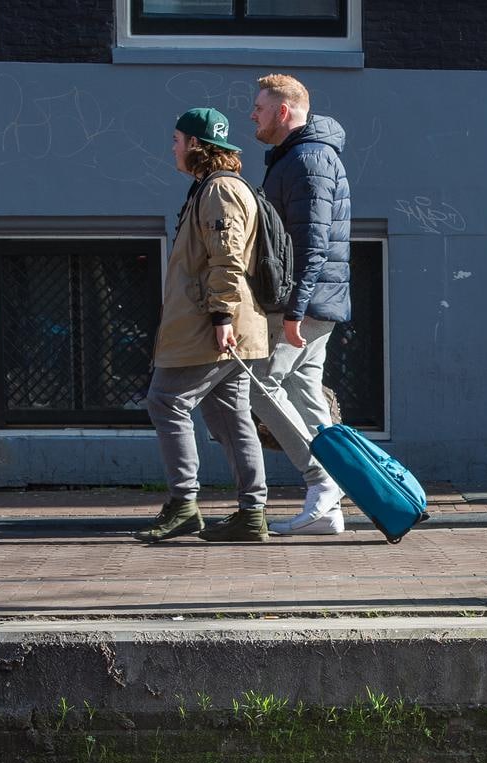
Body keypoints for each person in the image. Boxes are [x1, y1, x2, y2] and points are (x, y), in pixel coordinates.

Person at [134, 106, 271, 545]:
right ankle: (252, 513)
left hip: (211, 326)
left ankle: (183, 504)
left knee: (166, 401)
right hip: (219, 322)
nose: (172, 148)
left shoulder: (221, 191)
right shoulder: (209, 189)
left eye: (176, 140)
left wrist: (221, 315)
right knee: (230, 417)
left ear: (196, 144)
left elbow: (226, 257)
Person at [248, 73, 353, 536]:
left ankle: (320, 480)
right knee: (305, 391)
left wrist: (294, 309)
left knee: (260, 385)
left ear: (283, 111)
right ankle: (327, 508)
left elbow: (313, 242)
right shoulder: (298, 157)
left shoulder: (308, 160)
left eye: (259, 107)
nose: (252, 115)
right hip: (314, 297)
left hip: (305, 300)